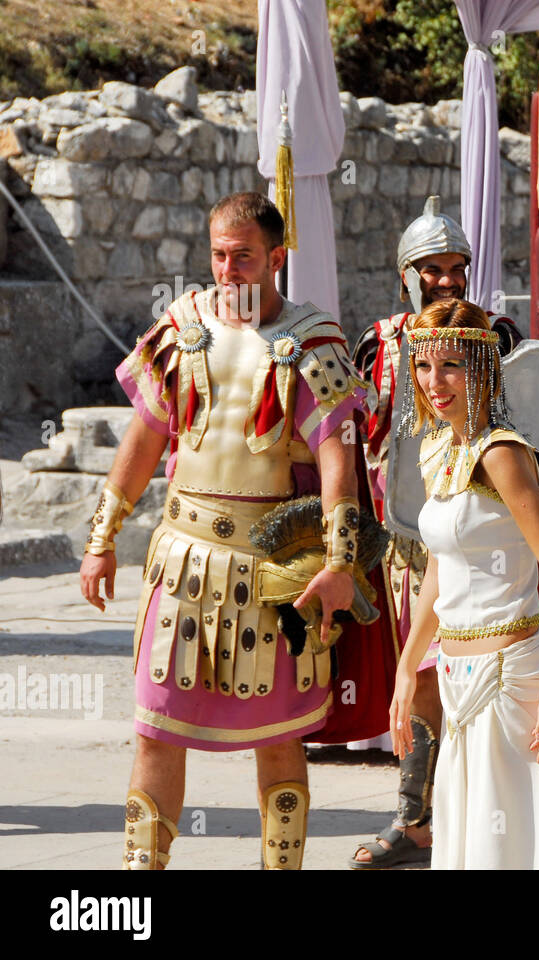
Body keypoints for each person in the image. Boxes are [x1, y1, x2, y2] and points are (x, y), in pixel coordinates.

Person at [79, 192, 368, 869]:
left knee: (279, 738)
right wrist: (101, 538)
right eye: (217, 255)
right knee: (155, 730)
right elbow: (143, 441)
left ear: (276, 258)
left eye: (242, 257)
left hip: (267, 567)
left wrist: (340, 561)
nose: (227, 269)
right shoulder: (180, 327)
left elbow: (339, 467)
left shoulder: (313, 340)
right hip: (180, 561)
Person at [349, 196, 522, 868]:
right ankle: (415, 819)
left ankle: (474, 817)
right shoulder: (380, 341)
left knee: (471, 674)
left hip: (479, 531)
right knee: (418, 676)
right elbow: (364, 434)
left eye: (457, 267)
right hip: (411, 534)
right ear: (406, 273)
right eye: (432, 268)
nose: (447, 279)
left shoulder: (496, 336)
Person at [387, 298, 539, 869]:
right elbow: (440, 568)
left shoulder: (502, 453)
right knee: (466, 838)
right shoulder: (437, 448)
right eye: (424, 367)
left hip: (512, 675)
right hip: (457, 673)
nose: (434, 382)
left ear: (483, 367)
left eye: (450, 365)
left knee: (506, 844)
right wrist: (407, 664)